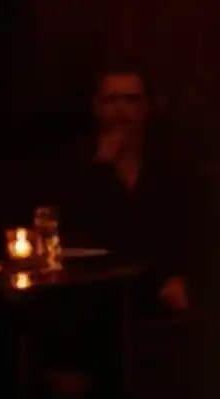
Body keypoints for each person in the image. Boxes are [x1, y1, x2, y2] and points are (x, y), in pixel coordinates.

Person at [62, 63, 196, 313]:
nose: (121, 109)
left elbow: (187, 232)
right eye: (111, 100)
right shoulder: (77, 162)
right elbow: (75, 232)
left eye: (131, 100)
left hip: (159, 289)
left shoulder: (169, 163)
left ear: (146, 107)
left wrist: (178, 277)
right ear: (97, 106)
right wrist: (102, 167)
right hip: (93, 291)